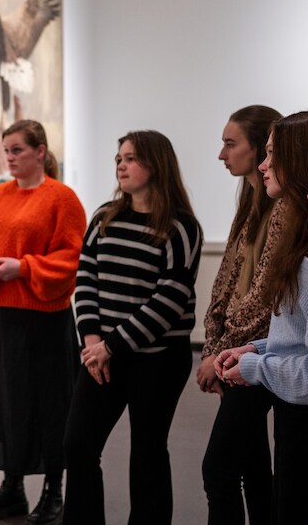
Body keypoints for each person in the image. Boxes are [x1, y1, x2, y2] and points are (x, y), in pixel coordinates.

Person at [63, 130, 203, 524]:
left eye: (130, 158)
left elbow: (170, 300)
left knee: (147, 451)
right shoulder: (104, 217)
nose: (121, 166)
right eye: (118, 159)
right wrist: (93, 342)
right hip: (101, 355)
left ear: (155, 165)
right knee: (78, 445)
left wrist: (112, 346)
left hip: (156, 360)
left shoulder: (180, 227)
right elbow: (85, 278)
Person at [213, 111, 308, 524]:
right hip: (285, 387)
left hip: (305, 408)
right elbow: (296, 331)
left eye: (273, 154)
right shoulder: (296, 228)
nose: (264, 165)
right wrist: (255, 347)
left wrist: (252, 360)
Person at [0, 119, 86, 524]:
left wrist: (25, 268)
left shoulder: (62, 199)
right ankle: (11, 486)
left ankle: (54, 490)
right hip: (0, 316)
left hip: (45, 320)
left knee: (50, 403)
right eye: (6, 151)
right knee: (5, 401)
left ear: (40, 151)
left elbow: (72, 258)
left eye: (17, 150)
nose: (10, 158)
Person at [199, 105, 281, 525]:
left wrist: (220, 354)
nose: (221, 154)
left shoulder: (282, 209)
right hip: (239, 354)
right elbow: (226, 285)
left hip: (256, 355)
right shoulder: (250, 200)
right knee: (252, 468)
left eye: (231, 144)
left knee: (219, 468)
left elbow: (263, 295)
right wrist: (212, 348)